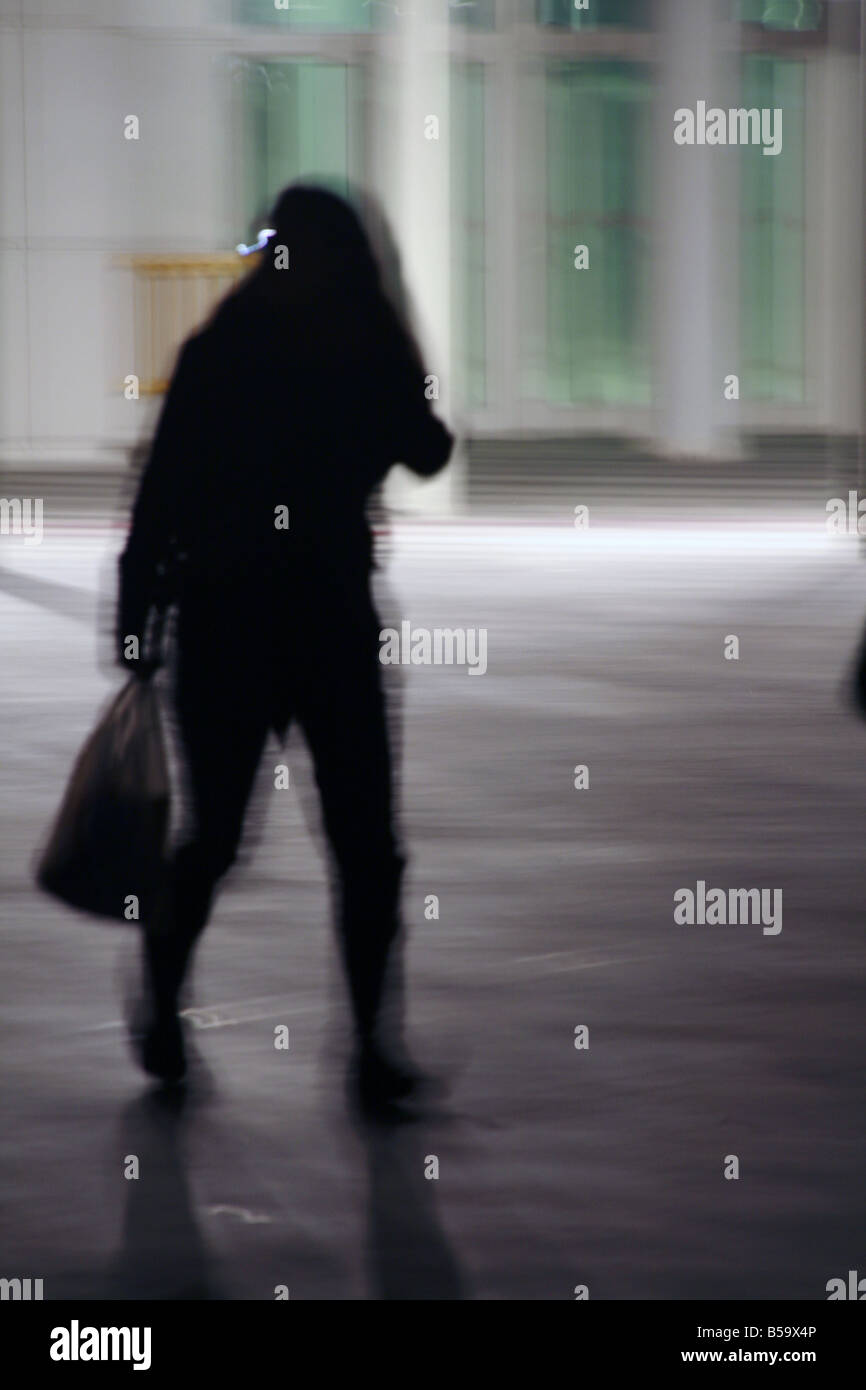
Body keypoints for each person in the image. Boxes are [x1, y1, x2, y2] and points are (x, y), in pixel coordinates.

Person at [117, 183, 453, 1106]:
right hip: (307, 622)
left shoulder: (229, 348)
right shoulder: (317, 347)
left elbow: (161, 493)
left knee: (239, 839)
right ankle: (365, 1054)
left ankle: (171, 1000)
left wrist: (137, 614)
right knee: (346, 844)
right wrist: (394, 337)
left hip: (245, 623)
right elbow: (430, 450)